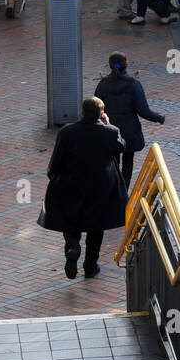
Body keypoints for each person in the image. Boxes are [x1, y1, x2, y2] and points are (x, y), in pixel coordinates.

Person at [40, 96, 127, 280]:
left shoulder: (67, 132)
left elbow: (56, 162)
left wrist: (53, 175)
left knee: (70, 220)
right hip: (100, 188)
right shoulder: (110, 132)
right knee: (97, 227)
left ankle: (72, 246)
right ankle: (90, 265)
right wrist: (108, 124)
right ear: (101, 114)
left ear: (82, 112)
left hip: (71, 185)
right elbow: (121, 147)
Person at [94, 52, 165, 188]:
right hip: (129, 130)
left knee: (113, 160)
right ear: (125, 64)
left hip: (109, 130)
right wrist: (159, 118)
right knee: (128, 159)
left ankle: (113, 189)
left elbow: (96, 107)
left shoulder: (103, 85)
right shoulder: (134, 85)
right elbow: (143, 111)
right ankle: (124, 189)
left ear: (110, 65)